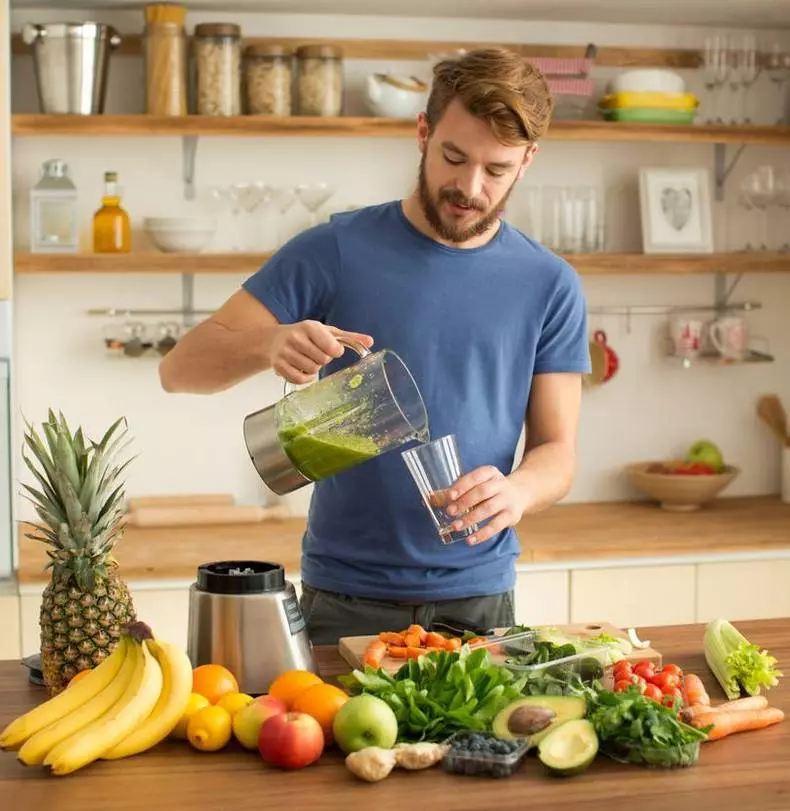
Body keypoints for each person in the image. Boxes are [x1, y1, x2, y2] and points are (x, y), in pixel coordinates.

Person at [159, 47, 591, 645]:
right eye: (453, 157)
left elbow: (558, 453)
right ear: (422, 132)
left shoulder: (549, 282)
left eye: (496, 169)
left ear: (527, 161)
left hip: (479, 597)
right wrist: (269, 343)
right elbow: (180, 369)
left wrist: (517, 490)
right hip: (345, 598)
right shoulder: (334, 249)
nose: (469, 187)